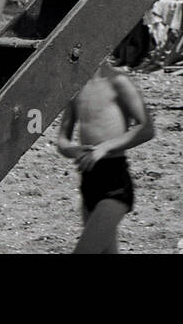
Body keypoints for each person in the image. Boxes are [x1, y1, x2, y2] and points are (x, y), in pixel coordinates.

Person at [56, 52, 154, 254]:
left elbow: (147, 128)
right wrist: (74, 150)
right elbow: (62, 141)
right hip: (88, 180)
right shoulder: (76, 86)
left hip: (115, 182)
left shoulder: (118, 81)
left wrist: (105, 147)